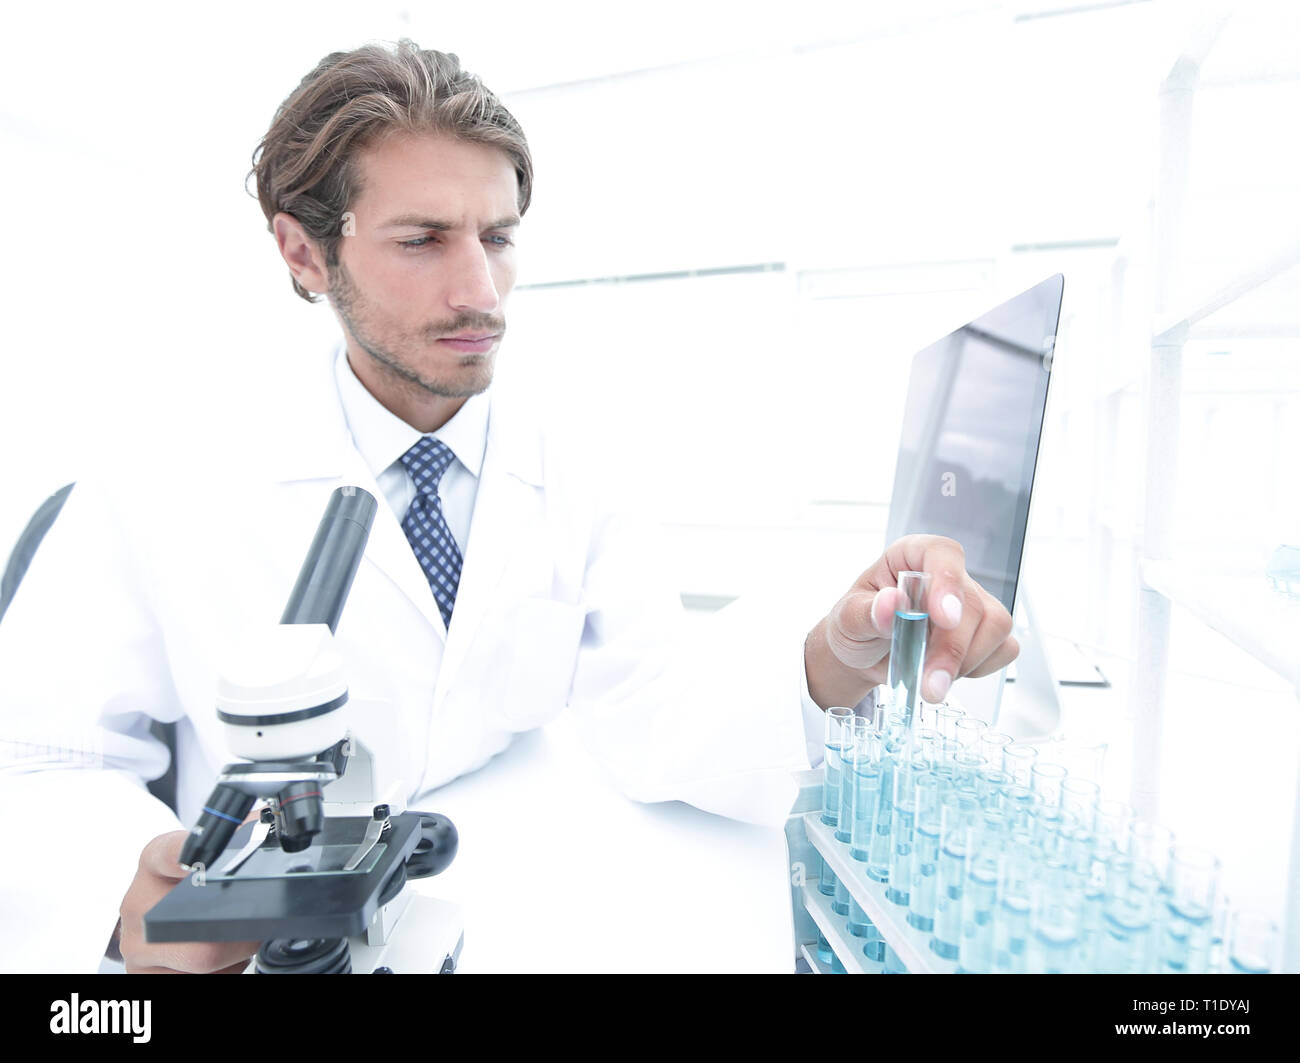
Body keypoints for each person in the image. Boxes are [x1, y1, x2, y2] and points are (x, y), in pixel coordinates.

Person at [0, 40, 1016, 973]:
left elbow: (646, 697)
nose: (481, 292)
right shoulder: (161, 478)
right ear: (304, 254)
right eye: (422, 241)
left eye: (498, 237)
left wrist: (836, 655)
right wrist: (123, 903)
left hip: (502, 899)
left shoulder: (563, 455)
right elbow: (44, 757)